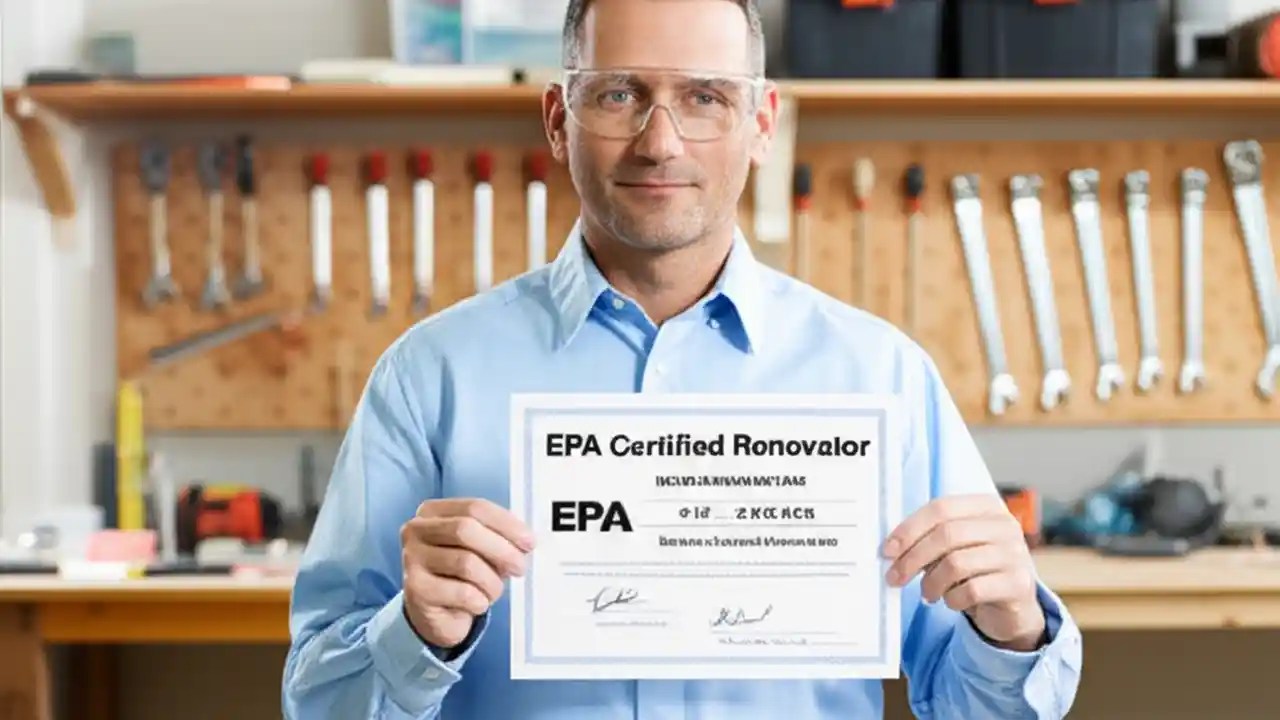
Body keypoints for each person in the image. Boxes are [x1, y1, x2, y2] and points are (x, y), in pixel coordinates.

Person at [282, 0, 1083, 717]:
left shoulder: (883, 378)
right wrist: (415, 634)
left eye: (705, 97)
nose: (659, 142)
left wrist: (1012, 630)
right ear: (558, 120)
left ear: (762, 122)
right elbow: (319, 705)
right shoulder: (429, 379)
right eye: (618, 95)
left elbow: (981, 710)